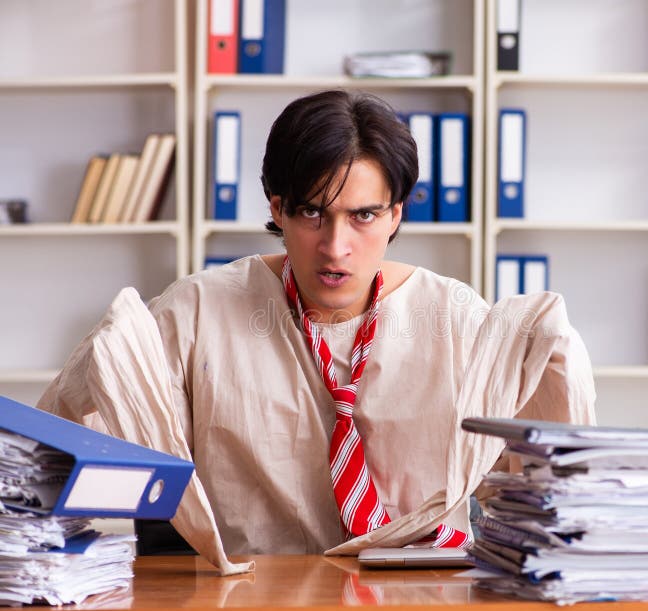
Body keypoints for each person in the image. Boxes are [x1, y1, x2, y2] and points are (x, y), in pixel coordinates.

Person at [47, 90, 596, 556]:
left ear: (396, 214)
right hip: (254, 599)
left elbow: (543, 490)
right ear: (278, 208)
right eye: (313, 213)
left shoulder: (460, 322)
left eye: (364, 215)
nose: (336, 248)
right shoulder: (195, 312)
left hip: (423, 597)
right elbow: (65, 446)